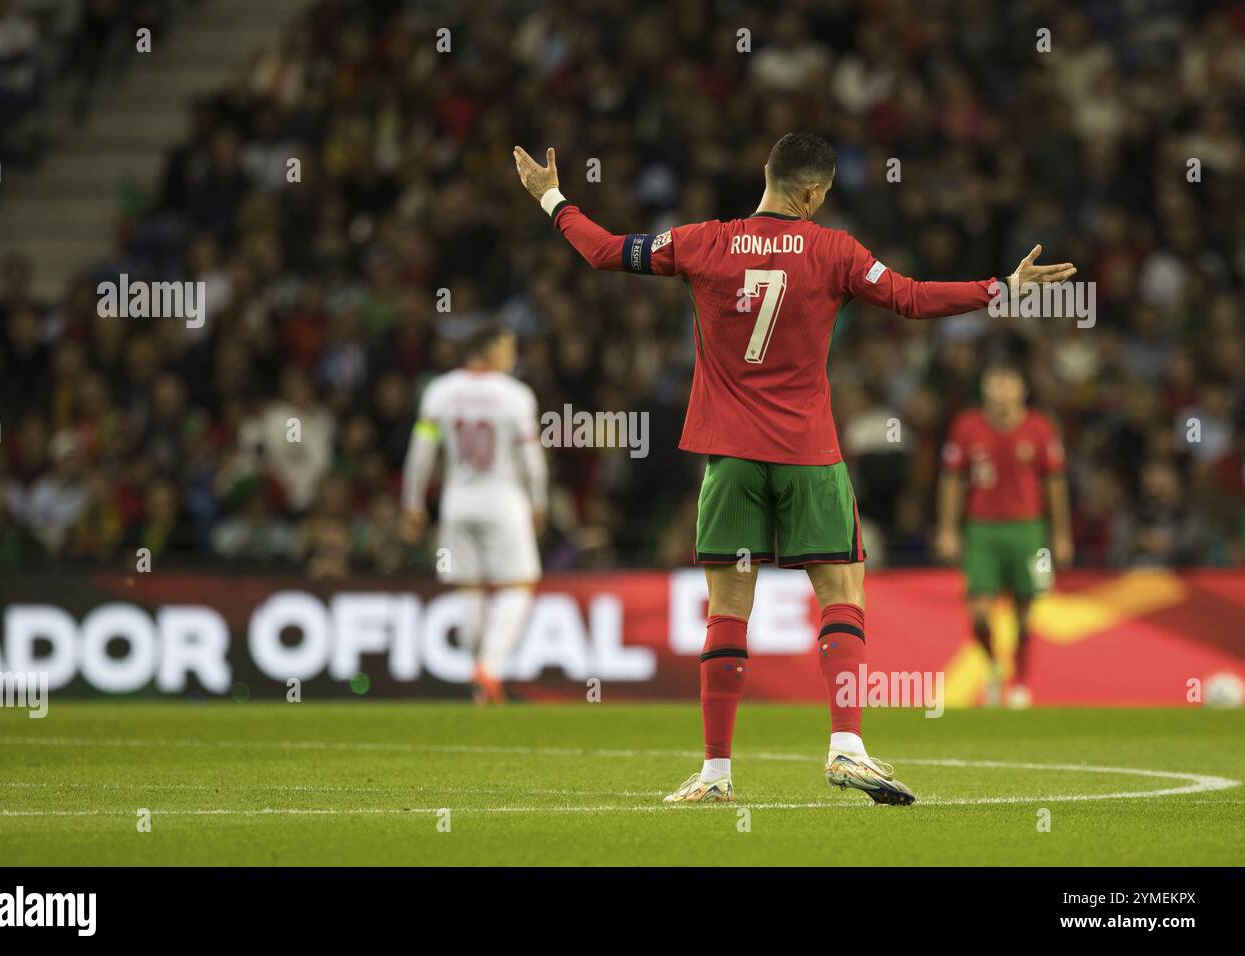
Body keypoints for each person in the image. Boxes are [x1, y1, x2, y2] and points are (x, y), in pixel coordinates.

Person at [513, 133, 1075, 804]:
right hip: (809, 453)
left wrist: (549, 195)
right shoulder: (834, 249)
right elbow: (913, 298)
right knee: (841, 596)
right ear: (811, 193)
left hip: (729, 457)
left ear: (766, 173)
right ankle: (847, 748)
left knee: (727, 611)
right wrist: (1003, 286)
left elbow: (605, 251)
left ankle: (717, 773)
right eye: (824, 195)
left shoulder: (703, 241)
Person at [400, 325, 548, 704]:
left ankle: (478, 682)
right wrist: (539, 503)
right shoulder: (515, 396)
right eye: (509, 348)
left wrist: (413, 503)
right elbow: (532, 461)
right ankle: (490, 669)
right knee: (518, 586)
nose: (512, 357)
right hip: (504, 500)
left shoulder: (439, 391)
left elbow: (420, 454)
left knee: (469, 590)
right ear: (490, 351)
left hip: (457, 502)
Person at [936, 361, 1073, 708]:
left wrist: (1060, 534)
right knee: (979, 612)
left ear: (1022, 389)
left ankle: (1021, 685)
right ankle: (995, 667)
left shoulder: (1040, 428)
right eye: (994, 382)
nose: (1000, 389)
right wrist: (948, 528)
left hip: (1029, 530)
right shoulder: (966, 426)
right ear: (984, 388)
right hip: (981, 530)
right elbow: (952, 479)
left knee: (1026, 612)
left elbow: (1054, 482)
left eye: (1007, 382)